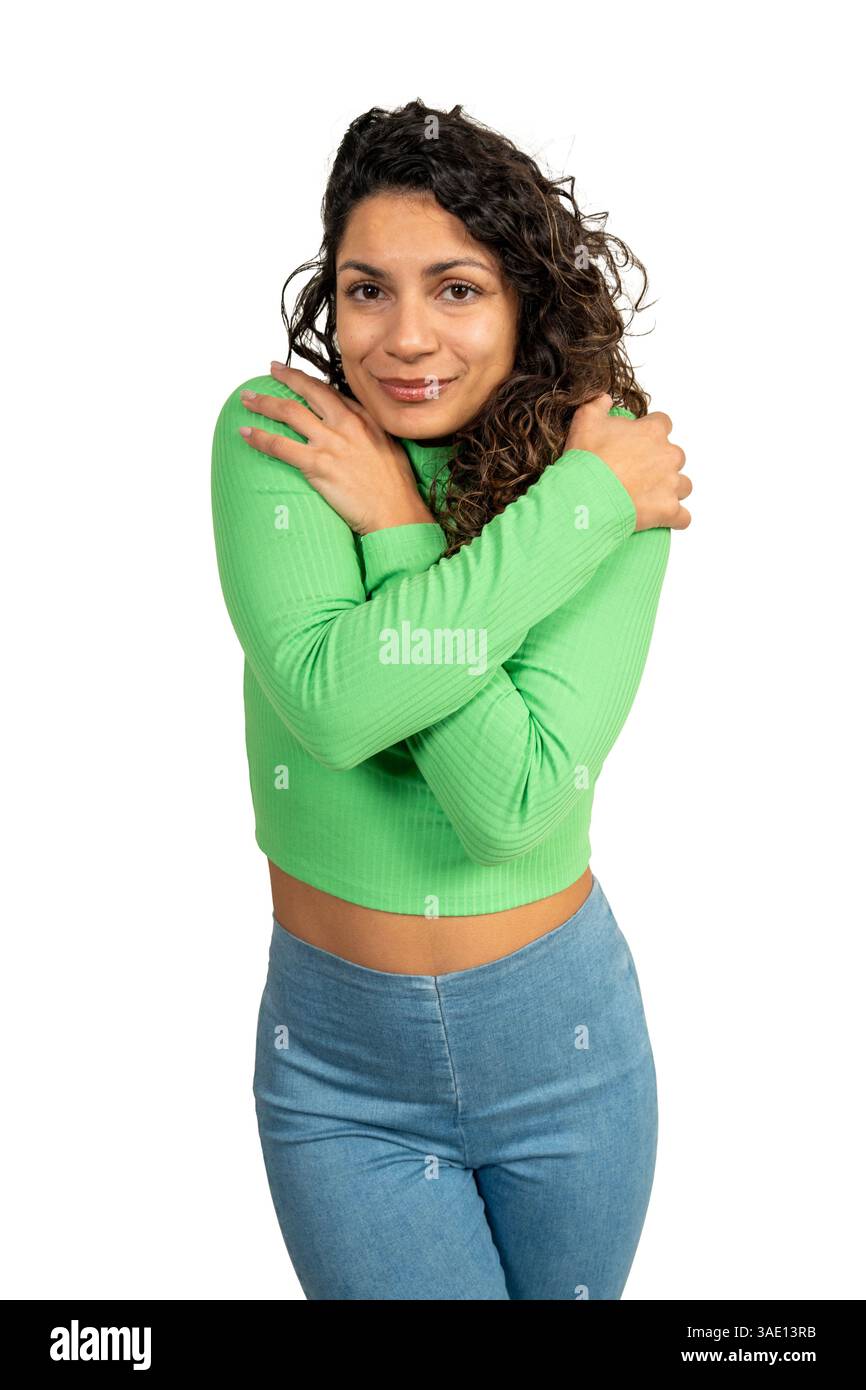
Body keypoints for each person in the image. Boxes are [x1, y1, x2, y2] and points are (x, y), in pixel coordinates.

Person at [211, 100, 691, 1300]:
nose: (404, 336)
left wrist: (403, 535)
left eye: (457, 288)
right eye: (366, 288)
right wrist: (548, 521)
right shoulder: (282, 442)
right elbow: (329, 704)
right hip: (339, 1069)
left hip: (562, 1048)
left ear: (523, 296)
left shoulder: (600, 460)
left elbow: (513, 801)